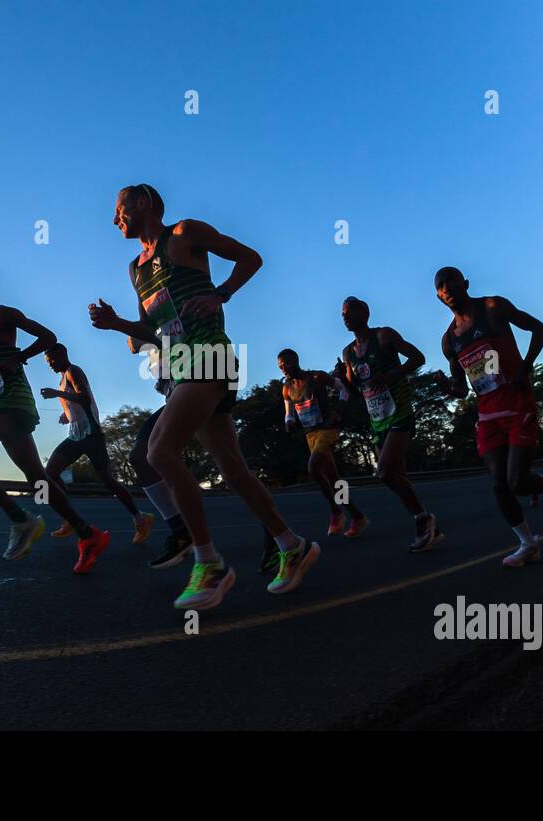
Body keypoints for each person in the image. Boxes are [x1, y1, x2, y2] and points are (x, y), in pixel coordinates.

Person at [89, 183, 319, 609]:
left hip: (210, 357)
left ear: (142, 203)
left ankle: (209, 563)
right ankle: (292, 545)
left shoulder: (184, 233)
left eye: (118, 210)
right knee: (232, 468)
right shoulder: (135, 268)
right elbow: (151, 330)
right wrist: (117, 324)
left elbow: (251, 258)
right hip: (180, 371)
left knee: (159, 452)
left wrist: (221, 293)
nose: (114, 219)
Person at [0, 266, 110, 573]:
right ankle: (88, 534)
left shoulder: (3, 315)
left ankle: (21, 519)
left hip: (13, 402)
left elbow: (48, 337)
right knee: (38, 479)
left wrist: (17, 357)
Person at [430, 266, 543, 568]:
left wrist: (525, 367)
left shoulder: (493, 308)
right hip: (487, 414)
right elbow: (461, 389)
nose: (445, 289)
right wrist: (448, 387)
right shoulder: (449, 341)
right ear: (438, 297)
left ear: (465, 283)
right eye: (439, 287)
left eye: (450, 281)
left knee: (517, 482)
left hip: (517, 403)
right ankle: (528, 543)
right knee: (499, 485)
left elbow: (539, 329)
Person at [340, 297, 442, 551]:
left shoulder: (384, 336)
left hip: (400, 412)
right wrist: (342, 378)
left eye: (349, 312)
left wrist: (392, 374)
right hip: (378, 419)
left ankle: (423, 518)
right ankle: (430, 530)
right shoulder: (348, 352)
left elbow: (418, 357)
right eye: (342, 314)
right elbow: (355, 385)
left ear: (364, 312)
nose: (344, 317)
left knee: (384, 473)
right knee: (398, 476)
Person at [40, 343, 155, 544]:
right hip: (76, 436)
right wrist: (67, 415)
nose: (50, 365)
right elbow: (78, 404)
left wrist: (58, 394)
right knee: (50, 473)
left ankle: (140, 518)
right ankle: (69, 519)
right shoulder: (62, 379)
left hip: (92, 436)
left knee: (108, 481)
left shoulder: (73, 371)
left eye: (51, 360)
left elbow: (84, 398)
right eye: (47, 363)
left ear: (62, 354)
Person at [278, 348, 370, 539]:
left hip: (327, 429)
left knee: (313, 468)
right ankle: (357, 516)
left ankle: (335, 513)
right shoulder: (287, 388)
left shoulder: (317, 377)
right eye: (280, 366)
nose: (283, 368)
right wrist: (289, 423)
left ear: (295, 361)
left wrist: (339, 411)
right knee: (333, 480)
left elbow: (344, 389)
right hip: (310, 434)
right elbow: (289, 413)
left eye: (286, 363)